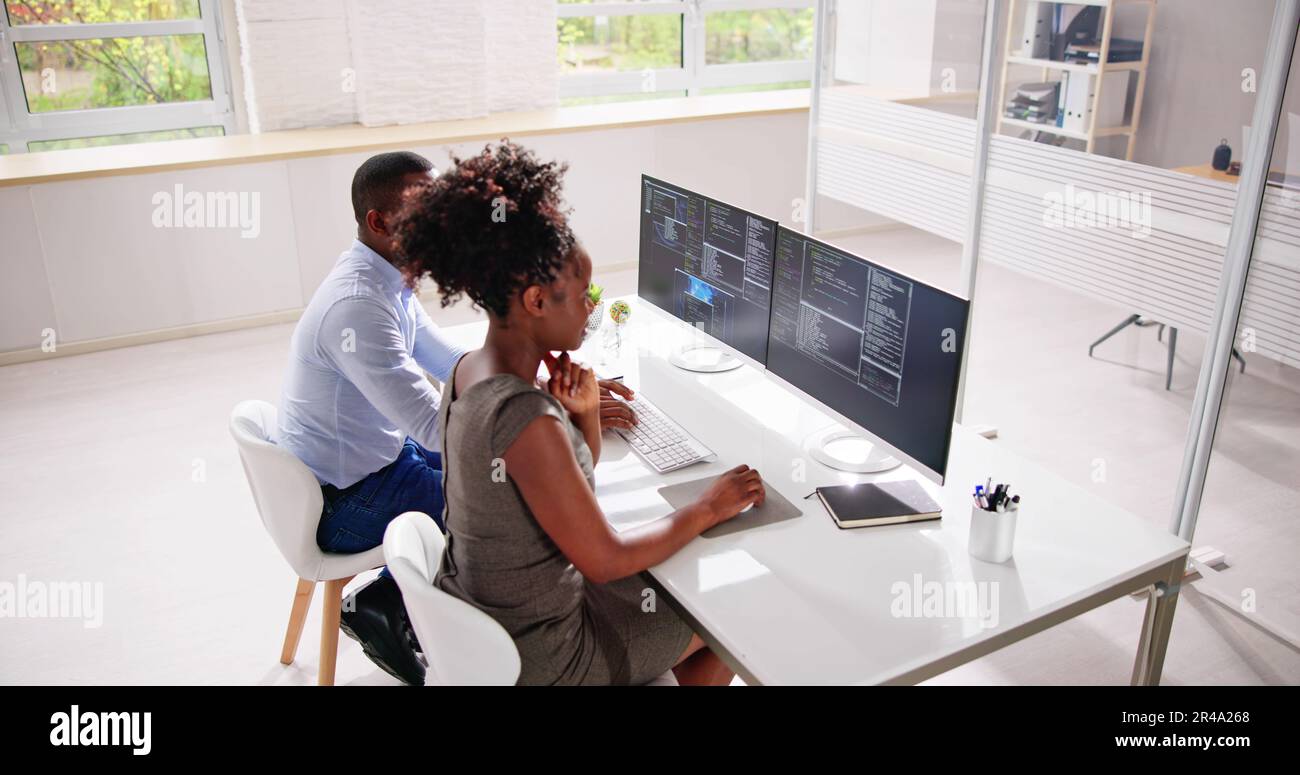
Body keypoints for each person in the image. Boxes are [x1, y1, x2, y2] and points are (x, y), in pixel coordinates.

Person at [392, 141, 764, 685]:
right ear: (538, 302)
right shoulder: (526, 417)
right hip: (547, 657)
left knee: (674, 574)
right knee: (726, 610)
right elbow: (606, 560)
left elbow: (560, 489)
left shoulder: (470, 369)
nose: (592, 306)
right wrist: (708, 506)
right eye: (581, 295)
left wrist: (583, 414)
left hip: (489, 620)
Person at [277, 151, 639, 685]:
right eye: (423, 206)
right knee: (509, 508)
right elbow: (436, 426)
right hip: (347, 499)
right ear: (378, 222)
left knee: (507, 487)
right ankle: (384, 603)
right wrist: (549, 426)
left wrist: (544, 390)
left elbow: (445, 360)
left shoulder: (384, 276)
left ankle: (402, 595)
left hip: (375, 456)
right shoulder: (356, 306)